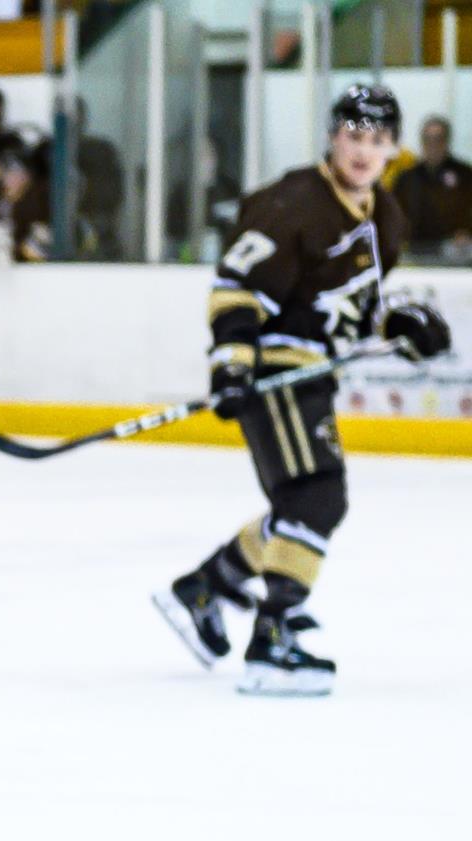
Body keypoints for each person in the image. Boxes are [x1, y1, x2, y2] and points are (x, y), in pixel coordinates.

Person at [153, 86, 450, 696]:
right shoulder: (292, 204)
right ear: (333, 137)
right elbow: (236, 288)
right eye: (353, 136)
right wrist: (231, 365)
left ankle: (209, 588)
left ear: (393, 147)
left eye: (377, 139)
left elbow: (351, 310)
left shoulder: (386, 218)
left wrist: (400, 325)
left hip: (313, 371)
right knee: (317, 499)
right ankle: (274, 634)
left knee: (302, 503)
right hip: (275, 368)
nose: (364, 151)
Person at [393, 115, 472, 256]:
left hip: (455, 253)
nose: (432, 144)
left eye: (438, 139)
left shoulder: (466, 176)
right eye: (427, 139)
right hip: (414, 251)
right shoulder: (407, 179)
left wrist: (467, 232)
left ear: (447, 140)